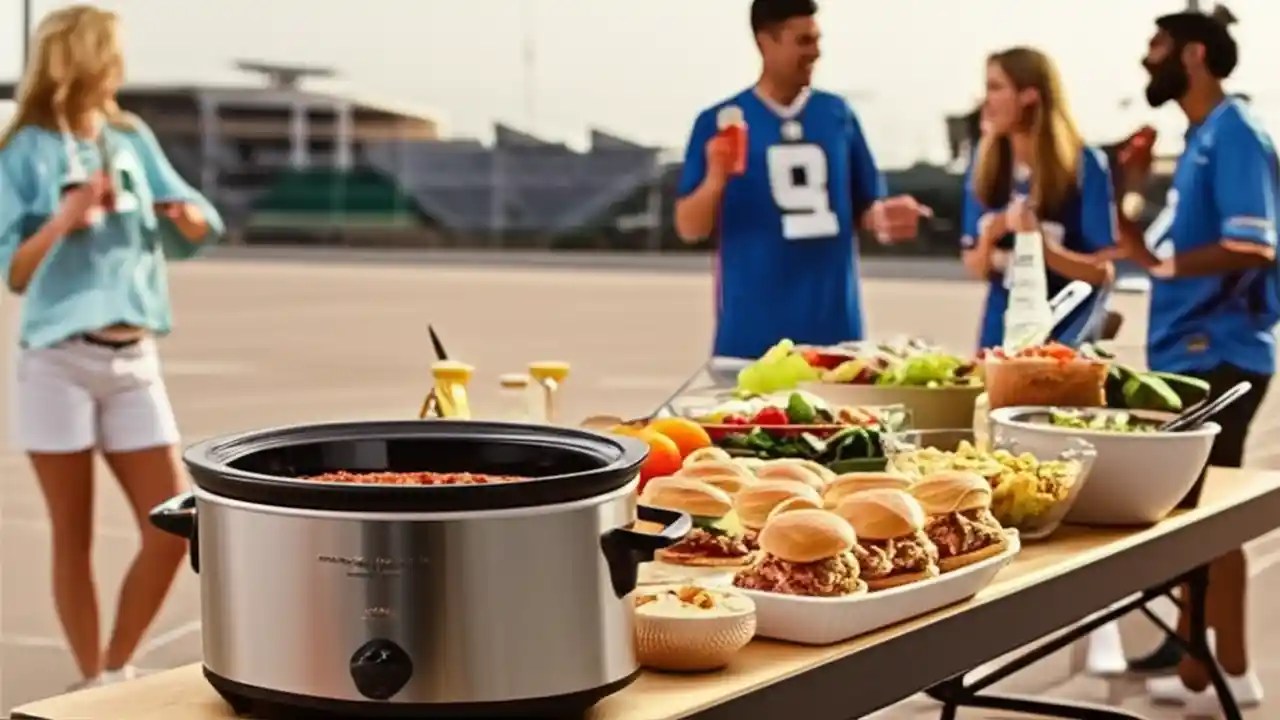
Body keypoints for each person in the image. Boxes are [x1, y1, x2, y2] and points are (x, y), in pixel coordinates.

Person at [0, 5, 224, 690]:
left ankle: (114, 664)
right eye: (112, 53)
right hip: (58, 360)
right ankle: (92, 680)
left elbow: (199, 219)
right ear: (88, 58)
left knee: (176, 522)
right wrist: (66, 215)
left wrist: (186, 216)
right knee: (74, 532)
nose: (121, 67)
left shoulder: (130, 136)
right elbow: (14, 270)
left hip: (133, 359)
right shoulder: (25, 148)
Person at [1108, 7, 1275, 708]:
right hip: (1187, 350)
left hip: (1224, 352)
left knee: (1206, 517)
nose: (1148, 57)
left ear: (1195, 54)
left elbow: (1255, 245)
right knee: (1189, 513)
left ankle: (1230, 673)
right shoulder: (1201, 136)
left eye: (1159, 44)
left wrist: (1163, 266)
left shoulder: (1235, 136)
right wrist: (1130, 182)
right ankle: (1197, 666)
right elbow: (1139, 246)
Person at [673, 0, 930, 360]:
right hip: (751, 338)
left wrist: (888, 216)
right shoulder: (718, 122)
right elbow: (689, 228)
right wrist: (716, 177)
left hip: (835, 334)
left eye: (817, 39)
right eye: (803, 41)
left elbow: (865, 207)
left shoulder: (838, 114)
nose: (815, 52)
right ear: (766, 42)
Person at [959, 47, 1117, 351]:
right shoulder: (986, 162)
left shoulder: (1084, 164)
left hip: (1066, 340)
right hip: (1000, 340)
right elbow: (975, 265)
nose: (986, 101)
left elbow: (1103, 272)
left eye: (996, 87)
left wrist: (1040, 246)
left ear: (1029, 95)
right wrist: (989, 239)